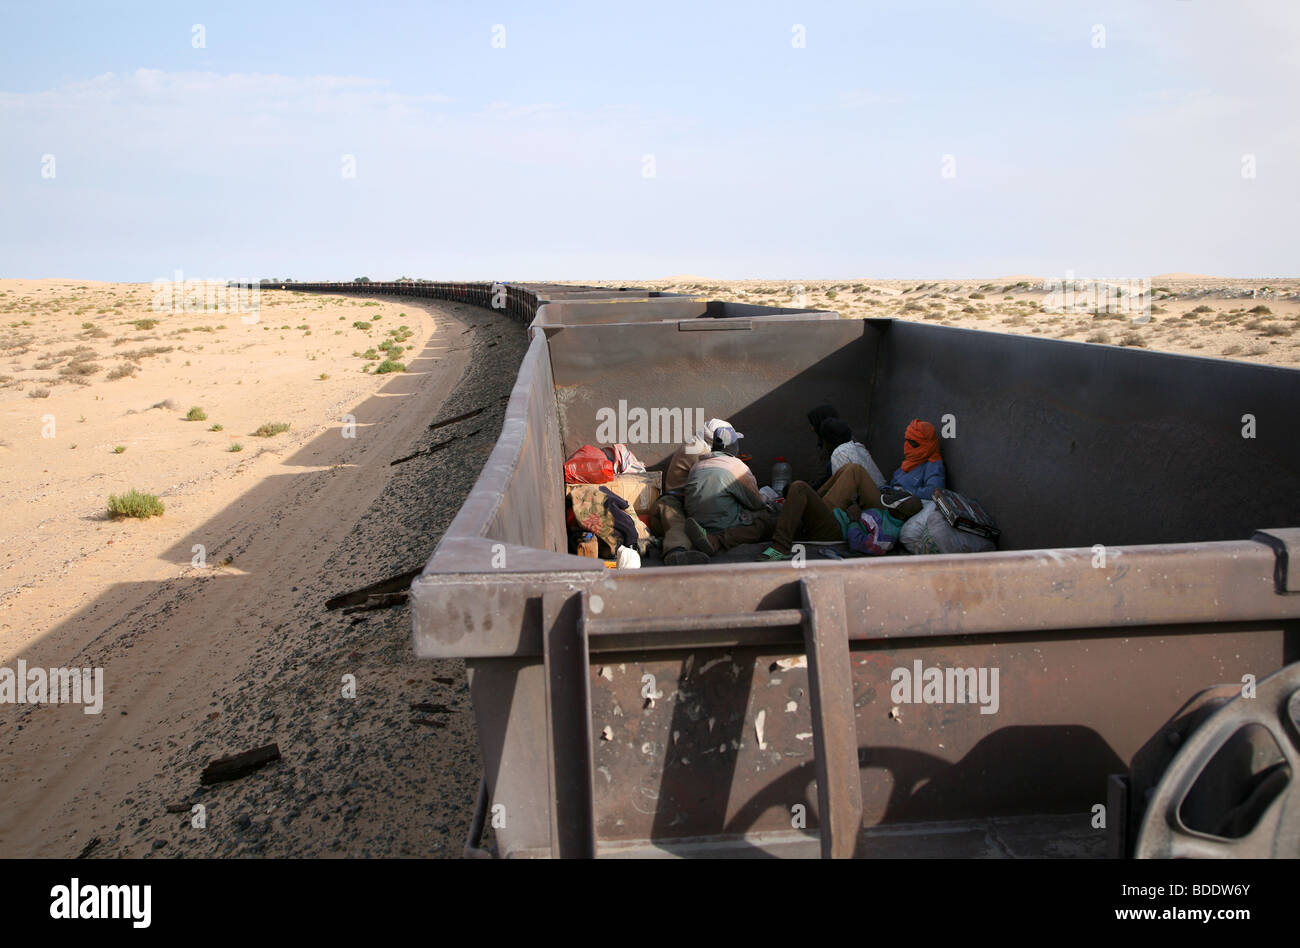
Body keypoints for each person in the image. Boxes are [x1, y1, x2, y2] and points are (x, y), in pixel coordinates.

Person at [755, 418, 945, 560]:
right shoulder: (910, 463)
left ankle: (790, 533)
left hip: (895, 507)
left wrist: (901, 496)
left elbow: (933, 493)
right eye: (906, 440)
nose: (907, 446)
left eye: (913, 443)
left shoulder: (933, 464)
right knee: (850, 470)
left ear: (926, 444)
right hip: (886, 497)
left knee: (855, 470)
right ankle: (812, 503)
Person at [681, 426, 777, 556]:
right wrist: (767, 498)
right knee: (767, 521)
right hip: (722, 525)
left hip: (699, 523)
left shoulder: (697, 466)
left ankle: (707, 537)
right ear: (732, 446)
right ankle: (718, 540)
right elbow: (756, 503)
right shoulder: (735, 465)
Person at [651, 417, 731, 566]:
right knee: (676, 522)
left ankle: (708, 542)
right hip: (677, 501)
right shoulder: (697, 449)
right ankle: (677, 552)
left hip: (696, 502)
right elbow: (715, 475)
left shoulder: (701, 446)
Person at [819, 417, 885, 485]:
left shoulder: (839, 453)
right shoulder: (858, 447)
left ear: (828, 441)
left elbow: (845, 489)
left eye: (823, 439)